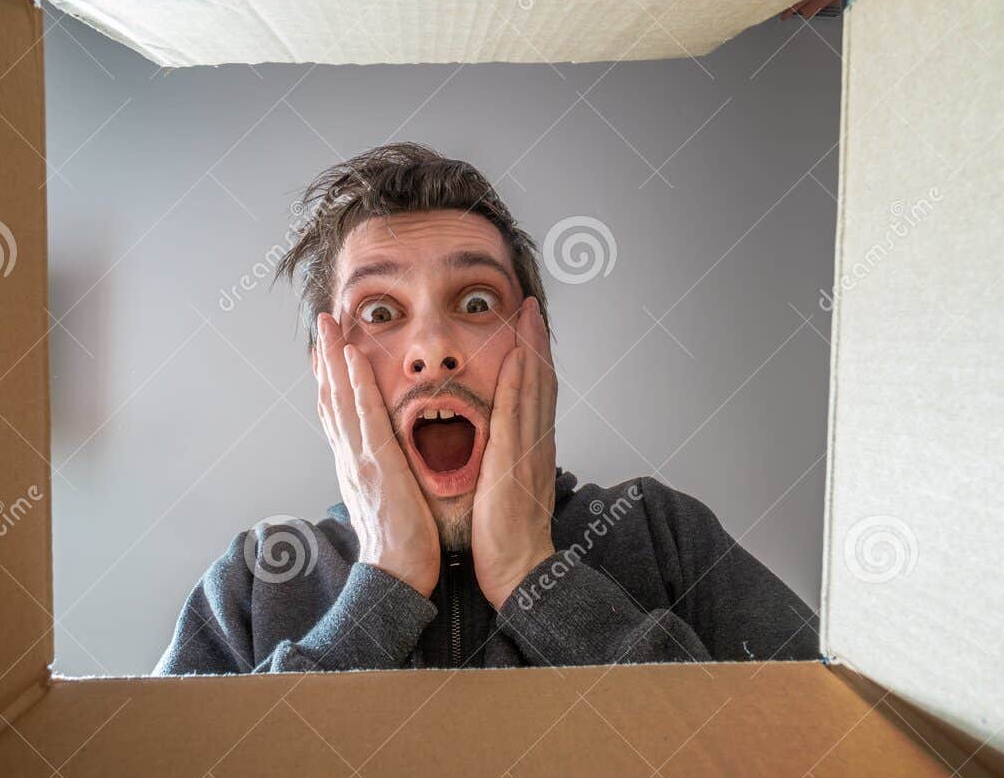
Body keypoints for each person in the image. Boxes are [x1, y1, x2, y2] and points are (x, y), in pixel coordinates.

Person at [155, 143, 818, 674]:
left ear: (538, 351)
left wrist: (537, 577)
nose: (434, 349)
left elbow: (827, 773)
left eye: (476, 303)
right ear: (328, 377)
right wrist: (384, 581)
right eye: (380, 311)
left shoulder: (659, 533)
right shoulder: (256, 581)